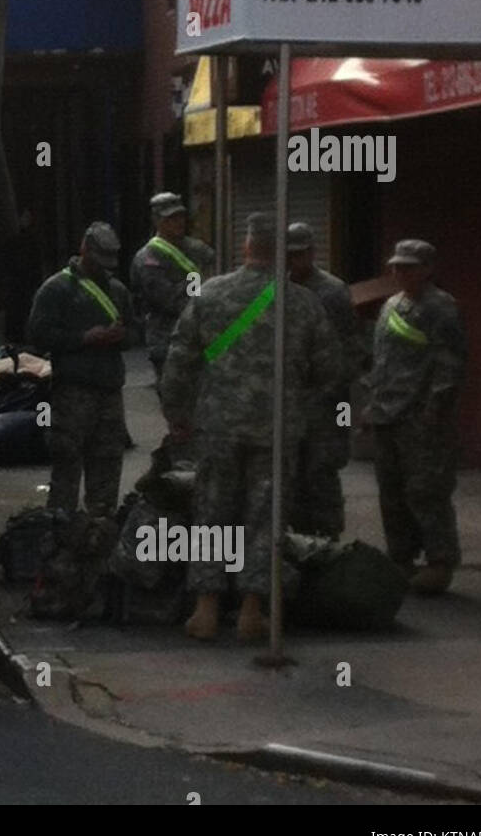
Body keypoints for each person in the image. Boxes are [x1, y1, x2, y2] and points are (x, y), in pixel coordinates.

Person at [161, 213, 339, 642]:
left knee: (212, 513)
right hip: (277, 431)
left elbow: (179, 363)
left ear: (245, 247)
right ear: (282, 253)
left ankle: (205, 610)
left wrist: (178, 415)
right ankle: (251, 611)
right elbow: (330, 370)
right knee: (265, 517)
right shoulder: (303, 303)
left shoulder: (210, 295)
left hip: (218, 426)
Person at [365, 240, 466, 595]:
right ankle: (401, 557)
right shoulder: (392, 305)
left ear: (427, 269)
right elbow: (380, 359)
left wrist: (434, 411)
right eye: (397, 266)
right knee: (391, 491)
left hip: (420, 417)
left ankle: (440, 561)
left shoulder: (440, 308)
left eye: (409, 266)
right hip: (386, 413)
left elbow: (450, 365)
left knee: (426, 491)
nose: (400, 272)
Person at [26, 222, 135, 518]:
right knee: (66, 471)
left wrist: (119, 336)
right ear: (84, 249)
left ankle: (99, 534)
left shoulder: (117, 291)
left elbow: (136, 334)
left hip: (110, 392)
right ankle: (60, 534)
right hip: (73, 392)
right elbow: (38, 334)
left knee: (107, 469)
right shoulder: (57, 289)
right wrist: (85, 338)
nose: (104, 268)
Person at [286, 222, 361, 538]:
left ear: (312, 253)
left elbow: (349, 349)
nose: (292, 261)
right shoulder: (275, 287)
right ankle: (300, 539)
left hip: (324, 403)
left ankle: (328, 540)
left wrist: (329, 393)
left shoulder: (331, 292)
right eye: (287, 255)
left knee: (321, 472)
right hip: (289, 399)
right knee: (290, 475)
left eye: (298, 254)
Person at [131, 192, 216, 387]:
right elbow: (169, 300)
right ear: (157, 220)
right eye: (170, 218)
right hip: (168, 339)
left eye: (180, 217)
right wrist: (197, 283)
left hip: (202, 337)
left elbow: (218, 277)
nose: (178, 222)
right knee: (175, 400)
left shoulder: (198, 249)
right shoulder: (149, 258)